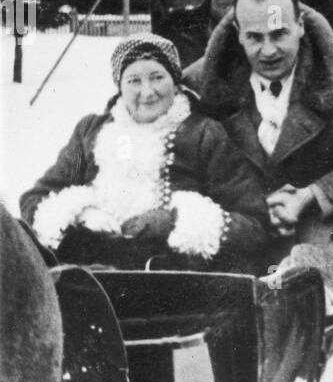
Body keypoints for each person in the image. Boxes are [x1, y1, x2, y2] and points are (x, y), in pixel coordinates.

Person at [185, 0, 333, 291]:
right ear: (237, 34)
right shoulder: (199, 83)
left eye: (279, 34)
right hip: (237, 249)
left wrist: (314, 194)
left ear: (300, 25)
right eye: (255, 37)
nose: (268, 51)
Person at [20, 35, 269, 270]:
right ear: (120, 86)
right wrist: (81, 213)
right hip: (90, 274)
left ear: (175, 81)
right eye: (134, 81)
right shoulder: (91, 132)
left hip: (171, 284)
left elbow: (253, 225)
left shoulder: (204, 134)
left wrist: (175, 221)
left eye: (157, 77)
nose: (147, 92)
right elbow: (34, 200)